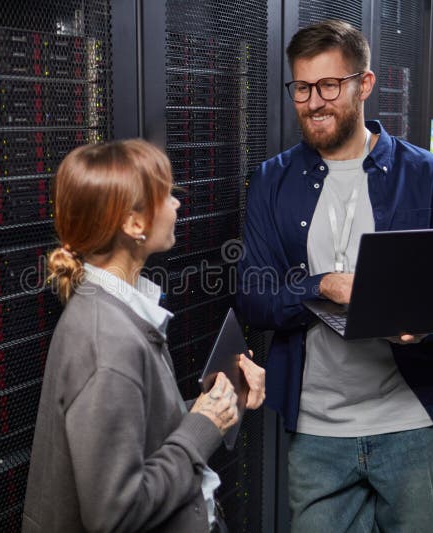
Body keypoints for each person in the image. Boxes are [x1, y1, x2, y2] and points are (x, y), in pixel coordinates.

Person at [236, 20, 433, 532]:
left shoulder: (427, 175)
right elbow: (253, 298)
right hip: (318, 433)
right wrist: (321, 285)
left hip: (417, 424)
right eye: (302, 87)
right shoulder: (271, 181)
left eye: (329, 86)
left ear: (364, 84)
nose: (314, 102)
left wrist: (423, 325)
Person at [22, 139, 266, 533]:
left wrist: (220, 401)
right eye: (167, 194)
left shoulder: (111, 311)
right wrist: (204, 427)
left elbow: (137, 428)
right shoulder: (108, 343)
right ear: (134, 224)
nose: (177, 204)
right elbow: (116, 515)